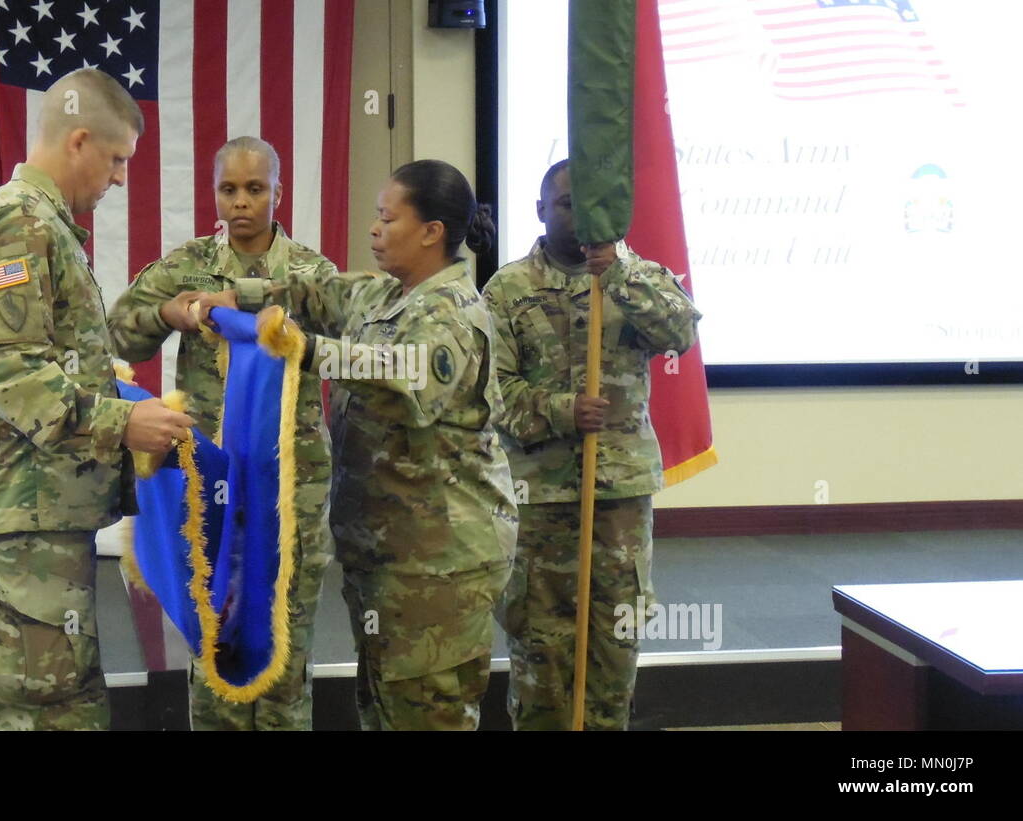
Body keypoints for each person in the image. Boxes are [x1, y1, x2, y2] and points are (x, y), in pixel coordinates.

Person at [189, 159, 518, 731]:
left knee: (426, 714)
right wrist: (236, 297)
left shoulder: (453, 313)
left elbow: (404, 369)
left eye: (388, 219)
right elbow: (315, 290)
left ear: (431, 232)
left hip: (439, 564)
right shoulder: (384, 296)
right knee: (384, 706)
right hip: (386, 556)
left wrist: (305, 349)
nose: (374, 229)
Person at [0, 69, 195, 731]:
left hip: (33, 512)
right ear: (79, 141)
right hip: (22, 518)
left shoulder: (38, 221)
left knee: (35, 703)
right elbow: (5, 368)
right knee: (49, 711)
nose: (119, 179)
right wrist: (121, 420)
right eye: (116, 160)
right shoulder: (21, 222)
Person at [108, 136, 337, 731]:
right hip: (211, 483)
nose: (241, 203)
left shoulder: (311, 275)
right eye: (229, 190)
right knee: (213, 632)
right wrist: (169, 314)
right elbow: (116, 335)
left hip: (291, 489)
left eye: (255, 189)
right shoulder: (188, 268)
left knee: (285, 641)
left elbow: (352, 341)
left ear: (278, 194)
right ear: (214, 194)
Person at [481, 159, 702, 730]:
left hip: (618, 494)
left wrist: (620, 274)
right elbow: (490, 393)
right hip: (540, 494)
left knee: (616, 635)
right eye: (566, 205)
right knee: (541, 641)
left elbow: (680, 332)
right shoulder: (507, 289)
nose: (580, 219)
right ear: (540, 211)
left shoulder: (637, 276)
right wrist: (560, 411)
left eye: (592, 207)